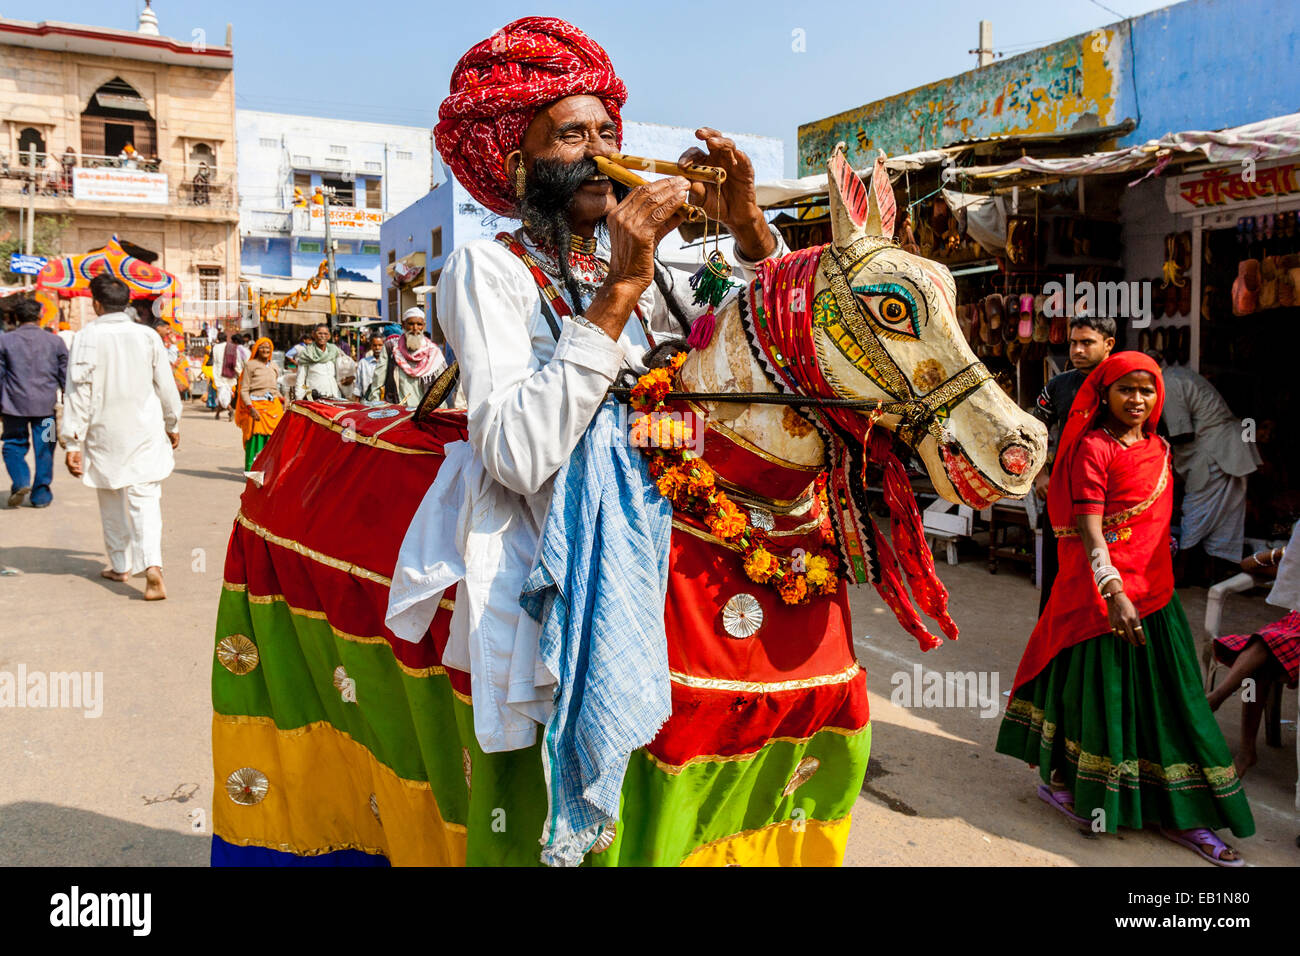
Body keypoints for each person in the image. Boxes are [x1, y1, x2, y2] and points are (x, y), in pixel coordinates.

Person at [394, 15, 779, 760]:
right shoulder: (487, 270)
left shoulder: (663, 265)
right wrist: (621, 288)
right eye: (572, 137)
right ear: (517, 165)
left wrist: (748, 224)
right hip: (548, 538)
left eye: (607, 133)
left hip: (666, 523)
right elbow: (514, 454)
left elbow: (758, 317)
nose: (602, 153)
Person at [997, 352, 1254, 866]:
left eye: (1148, 391)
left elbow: (1157, 528)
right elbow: (1091, 528)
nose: (1138, 400)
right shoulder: (1094, 448)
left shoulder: (1160, 447)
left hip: (1157, 595)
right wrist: (1113, 592)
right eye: (1126, 390)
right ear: (1103, 395)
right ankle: (1078, 788)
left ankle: (1187, 813)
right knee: (1103, 699)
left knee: (1174, 704)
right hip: (1105, 595)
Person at [61, 274, 181, 601]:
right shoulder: (147, 336)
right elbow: (166, 387)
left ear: (96, 304)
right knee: (146, 501)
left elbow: (77, 393)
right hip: (145, 430)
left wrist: (72, 440)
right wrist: (173, 423)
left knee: (111, 498)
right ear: (126, 302)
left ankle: (120, 565)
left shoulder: (85, 338)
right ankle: (152, 566)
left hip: (105, 433)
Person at [1029, 314, 1116, 614]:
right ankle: (1053, 643)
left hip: (1112, 493)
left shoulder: (1126, 383)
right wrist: (1040, 474)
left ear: (1109, 345)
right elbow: (1032, 430)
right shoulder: (1059, 385)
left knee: (1107, 573)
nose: (1077, 350)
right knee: (1058, 574)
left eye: (1087, 343)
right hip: (1065, 491)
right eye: (1074, 343)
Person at [1154, 355, 1261, 584]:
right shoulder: (1176, 375)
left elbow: (1183, 433)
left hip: (1216, 451)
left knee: (1195, 512)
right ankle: (1211, 576)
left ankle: (1179, 574)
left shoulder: (1168, 384)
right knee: (1224, 518)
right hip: (1225, 448)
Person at [1207, 535, 1300, 777]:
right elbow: (1247, 565)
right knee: (1259, 663)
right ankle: (1246, 751)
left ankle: (1216, 698)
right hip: (1292, 629)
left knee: (1265, 645)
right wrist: (1286, 551)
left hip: (1287, 637)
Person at [0, 297, 68, 508]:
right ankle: (40, 495)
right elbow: (66, 376)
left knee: (13, 444)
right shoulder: (55, 342)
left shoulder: (5, 341)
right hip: (46, 410)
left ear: (16, 318)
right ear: (40, 316)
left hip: (13, 408)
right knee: (46, 447)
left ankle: (20, 481)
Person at [371, 307, 448, 406]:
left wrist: (440, 413)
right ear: (403, 325)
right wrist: (375, 408)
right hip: (398, 412)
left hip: (423, 414)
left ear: (423, 326)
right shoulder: (391, 348)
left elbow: (440, 389)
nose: (415, 328)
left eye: (419, 324)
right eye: (411, 324)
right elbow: (377, 383)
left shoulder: (434, 353)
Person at [234, 337, 285, 470]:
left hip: (274, 407)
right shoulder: (250, 365)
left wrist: (282, 399)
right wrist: (250, 407)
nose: (265, 350)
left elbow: (274, 389)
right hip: (256, 408)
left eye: (268, 347)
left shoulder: (274, 366)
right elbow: (244, 390)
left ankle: (270, 472)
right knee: (255, 441)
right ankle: (253, 472)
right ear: (256, 349)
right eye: (262, 347)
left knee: (274, 441)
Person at [293, 324, 347, 400]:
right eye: (320, 333)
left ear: (329, 336)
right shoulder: (307, 353)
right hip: (315, 398)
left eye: (325, 334)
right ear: (313, 334)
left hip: (334, 395)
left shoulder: (334, 350)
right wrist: (299, 399)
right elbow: (300, 379)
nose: (322, 336)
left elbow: (345, 366)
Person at [210, 331, 241, 420]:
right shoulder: (232, 347)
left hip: (219, 374)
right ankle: (218, 413)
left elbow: (214, 360)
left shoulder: (215, 347)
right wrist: (239, 372)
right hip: (230, 374)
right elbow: (236, 361)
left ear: (218, 339)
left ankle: (230, 410)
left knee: (222, 395)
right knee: (224, 395)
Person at [353, 332, 384, 400]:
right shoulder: (363, 363)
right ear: (371, 346)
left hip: (384, 402)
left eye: (380, 345)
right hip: (367, 401)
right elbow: (358, 385)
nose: (377, 348)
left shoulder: (387, 363)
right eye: (374, 345)